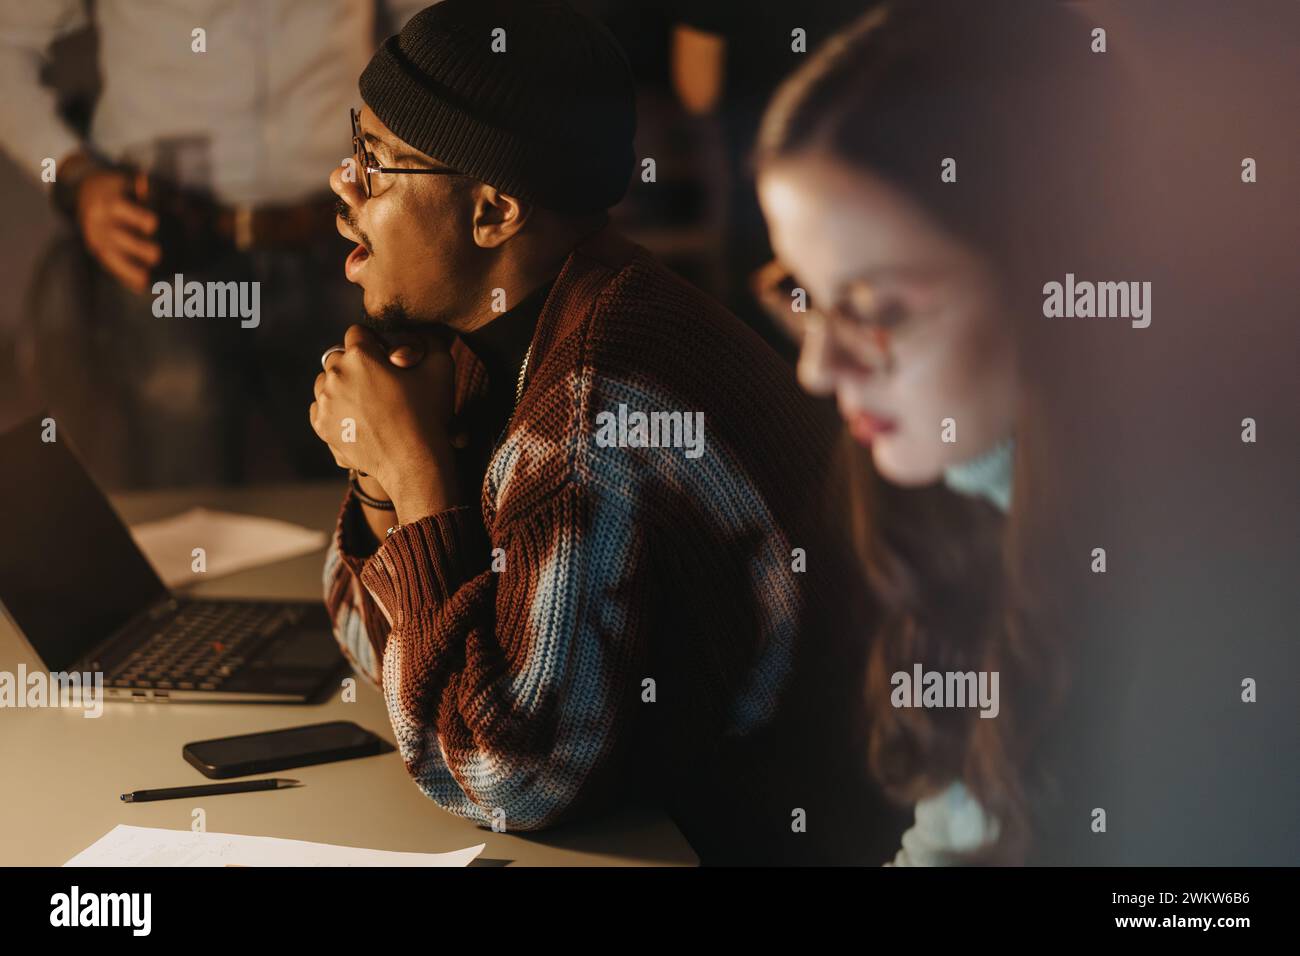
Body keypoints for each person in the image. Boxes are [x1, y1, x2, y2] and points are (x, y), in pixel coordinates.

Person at [311, 0, 904, 864]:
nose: (342, 184)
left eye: (375, 161)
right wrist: (379, 479)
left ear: (492, 212)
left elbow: (508, 779)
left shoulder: (595, 408)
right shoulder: (508, 331)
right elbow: (372, 644)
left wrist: (417, 480)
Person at [752, 1, 1147, 863]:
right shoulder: (963, 504)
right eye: (805, 297)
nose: (816, 371)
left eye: (882, 309)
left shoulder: (1205, 590)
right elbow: (959, 834)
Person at [0, 0, 427, 486]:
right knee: (183, 503)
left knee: (368, 485)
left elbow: (430, 22)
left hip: (344, 231)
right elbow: (6, 47)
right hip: (165, 242)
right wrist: (74, 176)